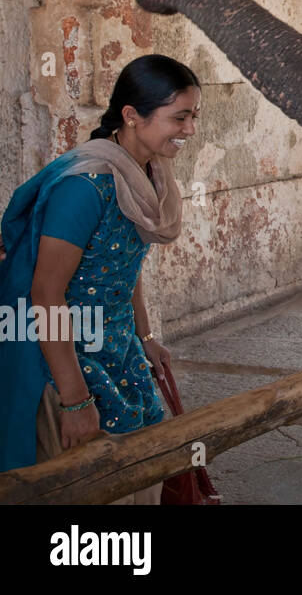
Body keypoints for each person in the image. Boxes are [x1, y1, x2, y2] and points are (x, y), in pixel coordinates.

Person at [0, 54, 199, 502]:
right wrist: (74, 400)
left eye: (193, 116)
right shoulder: (84, 188)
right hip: (61, 361)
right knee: (84, 485)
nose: (190, 130)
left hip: (118, 351)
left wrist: (144, 334)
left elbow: (123, 264)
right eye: (179, 117)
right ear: (132, 115)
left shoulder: (146, 175)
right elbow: (46, 294)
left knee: (137, 478)